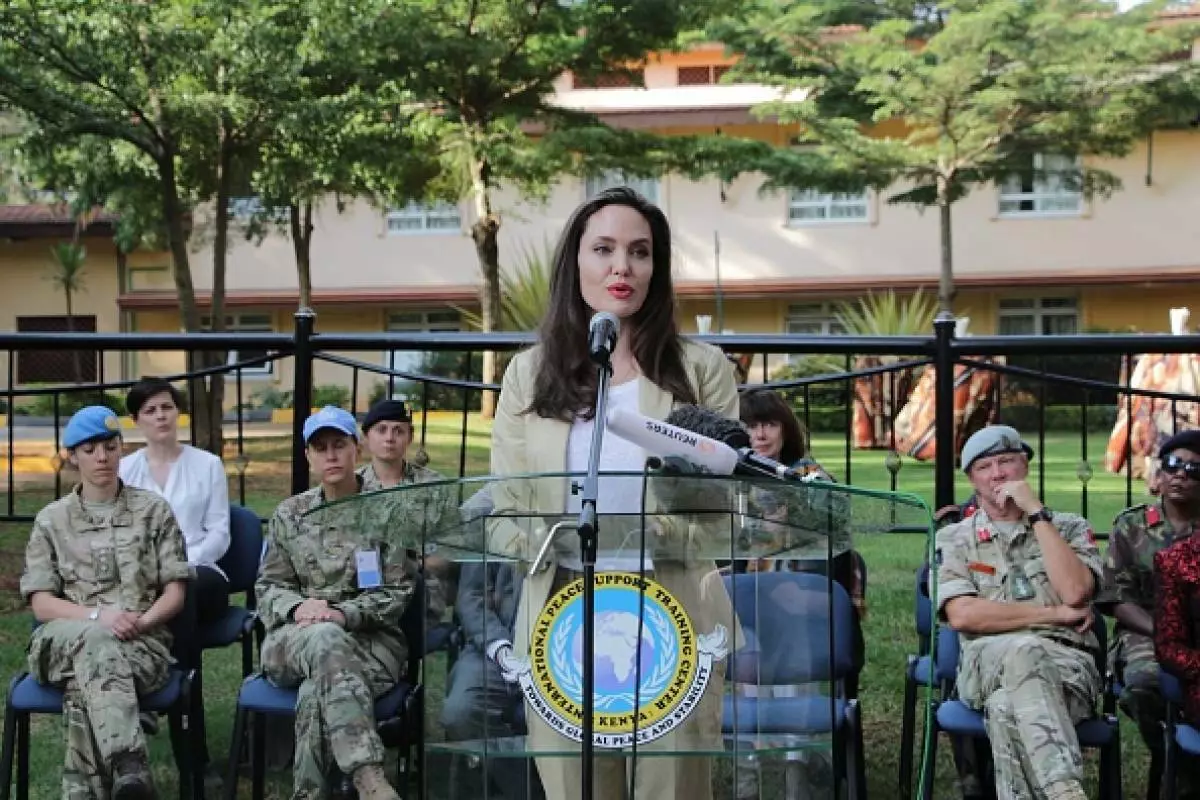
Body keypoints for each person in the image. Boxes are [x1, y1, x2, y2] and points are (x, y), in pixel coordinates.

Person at [488, 187, 740, 800]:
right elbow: (503, 514)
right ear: (575, 263)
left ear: (657, 268)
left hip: (671, 612)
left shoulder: (701, 370)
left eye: (640, 252)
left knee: (667, 788)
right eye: (603, 249)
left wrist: (640, 532)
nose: (622, 267)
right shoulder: (529, 372)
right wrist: (557, 540)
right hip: (560, 615)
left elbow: (727, 517)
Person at [20, 405, 189, 799]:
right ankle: (130, 762)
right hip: (62, 642)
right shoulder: (51, 520)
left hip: (142, 644)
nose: (102, 457)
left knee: (86, 689)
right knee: (96, 640)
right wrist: (100, 617)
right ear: (72, 456)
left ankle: (93, 791)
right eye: (90, 449)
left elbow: (175, 593)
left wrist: (138, 624)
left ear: (120, 450)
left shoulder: (153, 511)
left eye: (110, 447)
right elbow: (43, 605)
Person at [936, 424, 1103, 800]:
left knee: (1006, 707)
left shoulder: (1071, 528)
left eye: (1007, 461)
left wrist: (1037, 514)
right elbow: (963, 615)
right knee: (1024, 650)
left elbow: (1076, 591)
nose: (998, 474)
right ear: (972, 480)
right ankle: (1065, 792)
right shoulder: (954, 538)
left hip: (1068, 667)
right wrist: (1055, 615)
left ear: (1024, 467)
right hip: (987, 661)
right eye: (985, 467)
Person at [256, 406, 414, 800]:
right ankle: (367, 775)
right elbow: (268, 587)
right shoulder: (290, 514)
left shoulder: (387, 511)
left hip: (372, 642)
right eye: (320, 447)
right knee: (324, 637)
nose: (331, 455)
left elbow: (397, 593)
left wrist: (344, 614)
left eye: (339, 445)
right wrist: (297, 609)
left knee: (316, 691)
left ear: (355, 450)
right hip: (294, 640)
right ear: (308, 456)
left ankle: (309, 793)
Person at [733, 388, 863, 800]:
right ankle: (747, 773)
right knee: (743, 668)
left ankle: (796, 770)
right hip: (746, 608)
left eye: (769, 424)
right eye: (750, 426)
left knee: (794, 659)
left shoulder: (810, 478)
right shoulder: (727, 478)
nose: (760, 434)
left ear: (786, 429)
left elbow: (834, 546)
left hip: (799, 606)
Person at [118, 377, 229, 778]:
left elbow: (220, 532)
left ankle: (169, 718)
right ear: (136, 420)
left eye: (166, 407)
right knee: (174, 611)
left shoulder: (208, 464)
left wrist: (177, 570)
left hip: (203, 574)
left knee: (187, 593)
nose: (160, 416)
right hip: (144, 585)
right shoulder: (125, 471)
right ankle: (190, 752)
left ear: (177, 412)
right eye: (149, 410)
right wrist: (157, 578)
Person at [1102, 430, 1200, 797]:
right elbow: (1113, 597)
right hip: (1143, 630)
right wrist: (1162, 630)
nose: (1181, 475)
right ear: (1159, 475)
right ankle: (1171, 757)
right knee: (1146, 684)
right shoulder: (1132, 525)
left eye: (1194, 470)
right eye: (1174, 466)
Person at [442, 561, 545, 800]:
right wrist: (499, 648)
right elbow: (471, 597)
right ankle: (526, 791)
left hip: (565, 649)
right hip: (492, 646)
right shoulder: (494, 526)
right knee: (460, 711)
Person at [356, 398, 450, 622]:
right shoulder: (351, 487)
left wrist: (408, 565)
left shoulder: (434, 487)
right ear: (367, 437)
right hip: (359, 593)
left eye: (398, 431)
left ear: (410, 437)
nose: (390, 438)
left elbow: (450, 554)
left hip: (419, 597)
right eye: (381, 430)